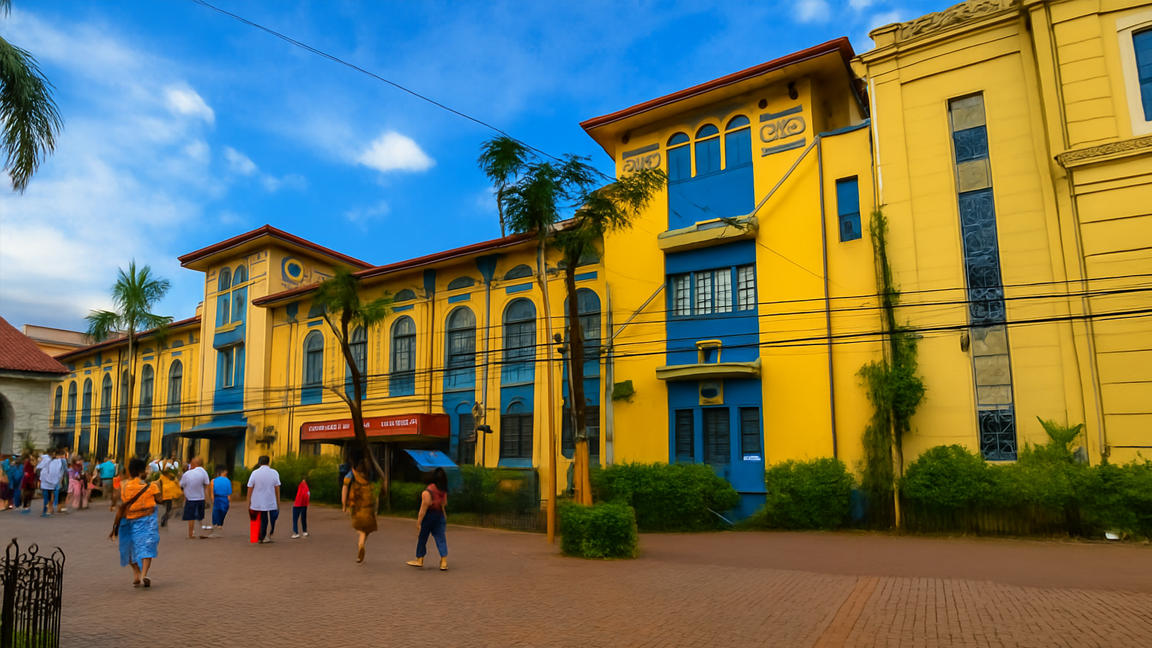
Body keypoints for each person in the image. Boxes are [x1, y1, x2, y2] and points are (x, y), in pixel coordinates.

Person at [112, 458, 162, 588]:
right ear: (141, 471)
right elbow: (160, 500)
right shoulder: (152, 486)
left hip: (129, 521)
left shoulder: (124, 486)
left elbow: (120, 502)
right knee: (147, 547)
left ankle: (136, 573)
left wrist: (115, 528)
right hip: (147, 521)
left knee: (129, 548)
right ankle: (143, 574)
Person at [407, 467, 450, 571]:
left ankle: (420, 559)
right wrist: (444, 517)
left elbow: (423, 509)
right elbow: (444, 504)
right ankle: (443, 561)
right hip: (439, 516)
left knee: (422, 538)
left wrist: (418, 522)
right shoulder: (443, 491)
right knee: (441, 538)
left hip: (429, 516)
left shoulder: (428, 491)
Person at [341, 457, 377, 563]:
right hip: (368, 505)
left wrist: (343, 505)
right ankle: (361, 544)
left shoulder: (349, 476)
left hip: (354, 504)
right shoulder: (368, 476)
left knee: (361, 528)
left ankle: (361, 544)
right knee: (366, 528)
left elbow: (344, 491)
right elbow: (374, 492)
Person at [247, 456, 281, 543]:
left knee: (261, 517)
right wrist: (278, 501)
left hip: (257, 500)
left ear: (259, 463)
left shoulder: (255, 473)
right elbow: (277, 488)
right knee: (272, 516)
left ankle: (260, 535)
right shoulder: (274, 473)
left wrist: (248, 501)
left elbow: (250, 488)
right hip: (270, 499)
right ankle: (268, 531)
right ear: (269, 462)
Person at [179, 457, 211, 540]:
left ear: (194, 464)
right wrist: (207, 498)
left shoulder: (187, 474)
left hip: (190, 498)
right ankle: (203, 531)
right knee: (200, 516)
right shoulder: (204, 472)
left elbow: (182, 485)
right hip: (200, 498)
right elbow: (207, 485)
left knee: (191, 517)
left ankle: (190, 533)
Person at [39, 449, 65, 517]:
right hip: (48, 482)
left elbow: (60, 471)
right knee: (47, 497)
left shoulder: (57, 462)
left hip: (51, 482)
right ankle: (46, 510)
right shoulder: (47, 460)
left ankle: (48, 510)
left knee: (49, 497)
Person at [209, 466, 231, 537]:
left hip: (217, 497)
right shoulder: (227, 480)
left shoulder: (213, 481)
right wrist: (228, 499)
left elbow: (212, 492)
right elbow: (229, 492)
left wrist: (212, 499)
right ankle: (220, 524)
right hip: (224, 498)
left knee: (216, 510)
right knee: (223, 511)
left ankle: (215, 523)